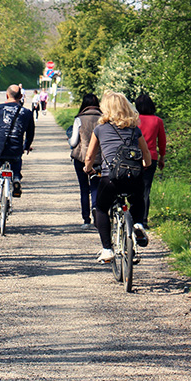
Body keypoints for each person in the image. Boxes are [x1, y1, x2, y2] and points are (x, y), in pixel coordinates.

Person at [84, 91, 152, 263]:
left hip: (110, 178)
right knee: (138, 199)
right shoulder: (135, 130)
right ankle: (138, 224)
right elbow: (147, 157)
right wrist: (143, 166)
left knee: (101, 208)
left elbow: (90, 156)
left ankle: (107, 249)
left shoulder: (99, 129)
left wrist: (88, 169)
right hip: (133, 177)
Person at [0, 84, 35, 223]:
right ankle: (16, 178)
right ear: (21, 97)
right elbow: (30, 134)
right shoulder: (27, 112)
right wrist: (26, 147)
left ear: (7, 95)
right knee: (17, 159)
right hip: (15, 148)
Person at [68, 93, 102, 230]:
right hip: (100, 159)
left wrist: (69, 141)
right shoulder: (103, 118)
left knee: (84, 188)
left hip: (81, 158)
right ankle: (96, 209)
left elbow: (74, 141)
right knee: (96, 186)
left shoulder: (79, 119)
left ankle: (86, 219)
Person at [135, 93, 166, 226]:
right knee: (146, 189)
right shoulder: (157, 121)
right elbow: (162, 141)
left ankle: (134, 217)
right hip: (151, 157)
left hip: (134, 157)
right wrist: (162, 157)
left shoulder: (134, 120)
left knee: (134, 188)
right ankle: (143, 220)